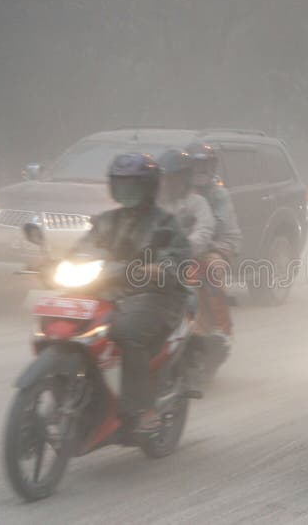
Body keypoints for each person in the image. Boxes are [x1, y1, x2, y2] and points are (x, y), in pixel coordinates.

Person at [72, 153, 190, 433]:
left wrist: (160, 268)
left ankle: (141, 409)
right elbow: (82, 249)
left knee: (127, 332)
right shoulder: (105, 221)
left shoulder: (165, 223)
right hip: (108, 291)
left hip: (156, 296)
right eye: (121, 185)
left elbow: (180, 257)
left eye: (134, 186)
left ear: (149, 187)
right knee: (70, 326)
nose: (127, 192)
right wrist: (55, 263)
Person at [186, 142, 242, 360]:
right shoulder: (180, 192)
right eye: (196, 166)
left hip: (220, 244)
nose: (201, 172)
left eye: (205, 166)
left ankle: (222, 330)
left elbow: (218, 225)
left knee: (211, 269)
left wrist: (191, 228)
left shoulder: (219, 194)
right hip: (191, 243)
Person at [157, 149, 216, 260]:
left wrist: (180, 249)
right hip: (153, 261)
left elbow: (204, 232)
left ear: (186, 179)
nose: (166, 183)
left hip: (188, 261)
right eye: (164, 178)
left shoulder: (198, 203)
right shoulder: (151, 204)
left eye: (173, 178)